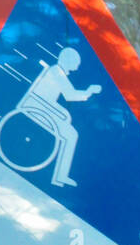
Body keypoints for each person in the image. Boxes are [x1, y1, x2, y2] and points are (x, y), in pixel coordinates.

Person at [14, 47, 101, 187]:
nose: (77, 67)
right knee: (72, 135)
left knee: (67, 121)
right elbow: (70, 95)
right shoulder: (57, 71)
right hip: (38, 107)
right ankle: (60, 177)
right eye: (75, 63)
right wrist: (88, 92)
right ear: (68, 60)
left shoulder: (57, 71)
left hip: (41, 105)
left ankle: (60, 176)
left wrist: (65, 113)